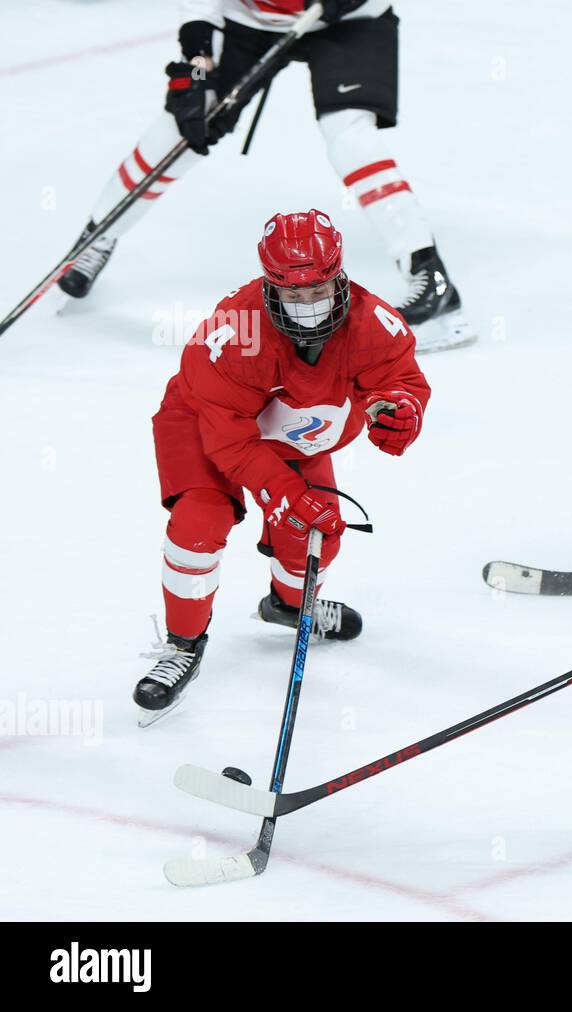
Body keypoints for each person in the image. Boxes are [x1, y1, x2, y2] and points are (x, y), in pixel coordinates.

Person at [136, 209, 430, 725]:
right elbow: (229, 440)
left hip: (294, 430)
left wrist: (400, 411)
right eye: (292, 293)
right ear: (269, 282)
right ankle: (183, 643)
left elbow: (400, 380)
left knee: (318, 533)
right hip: (207, 424)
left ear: (339, 275)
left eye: (318, 289)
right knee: (198, 524)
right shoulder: (232, 332)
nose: (308, 305)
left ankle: (290, 607)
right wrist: (282, 491)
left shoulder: (373, 324)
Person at [59, 0, 474, 352]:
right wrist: (196, 76)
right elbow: (199, 20)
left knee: (349, 137)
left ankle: (428, 273)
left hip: (350, 19)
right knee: (180, 129)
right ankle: (97, 235)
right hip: (247, 22)